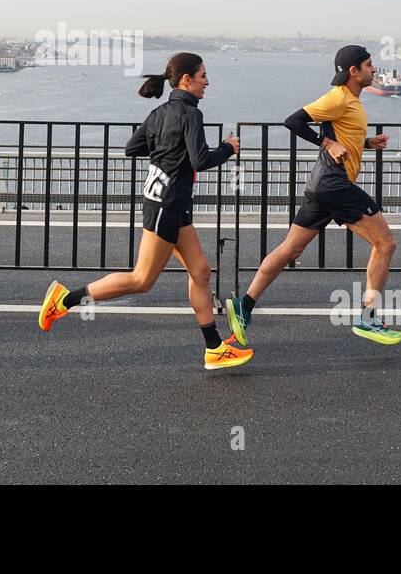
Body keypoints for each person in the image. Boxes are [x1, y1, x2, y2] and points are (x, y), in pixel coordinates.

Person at [38, 52, 252, 370]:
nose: (207, 81)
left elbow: (133, 148)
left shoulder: (160, 112)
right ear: (186, 80)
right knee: (142, 280)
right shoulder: (191, 114)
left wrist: (166, 150)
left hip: (172, 204)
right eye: (203, 75)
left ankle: (214, 348)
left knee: (201, 272)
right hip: (166, 205)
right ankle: (65, 300)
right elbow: (200, 160)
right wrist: (228, 149)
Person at [225, 45, 401, 347]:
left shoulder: (351, 101)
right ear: (353, 71)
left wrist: (367, 143)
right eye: (370, 65)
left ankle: (245, 305)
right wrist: (326, 143)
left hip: (322, 186)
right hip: (335, 184)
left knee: (290, 250)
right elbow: (293, 120)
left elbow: (343, 135)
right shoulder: (337, 98)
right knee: (385, 243)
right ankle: (369, 317)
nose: (375, 70)